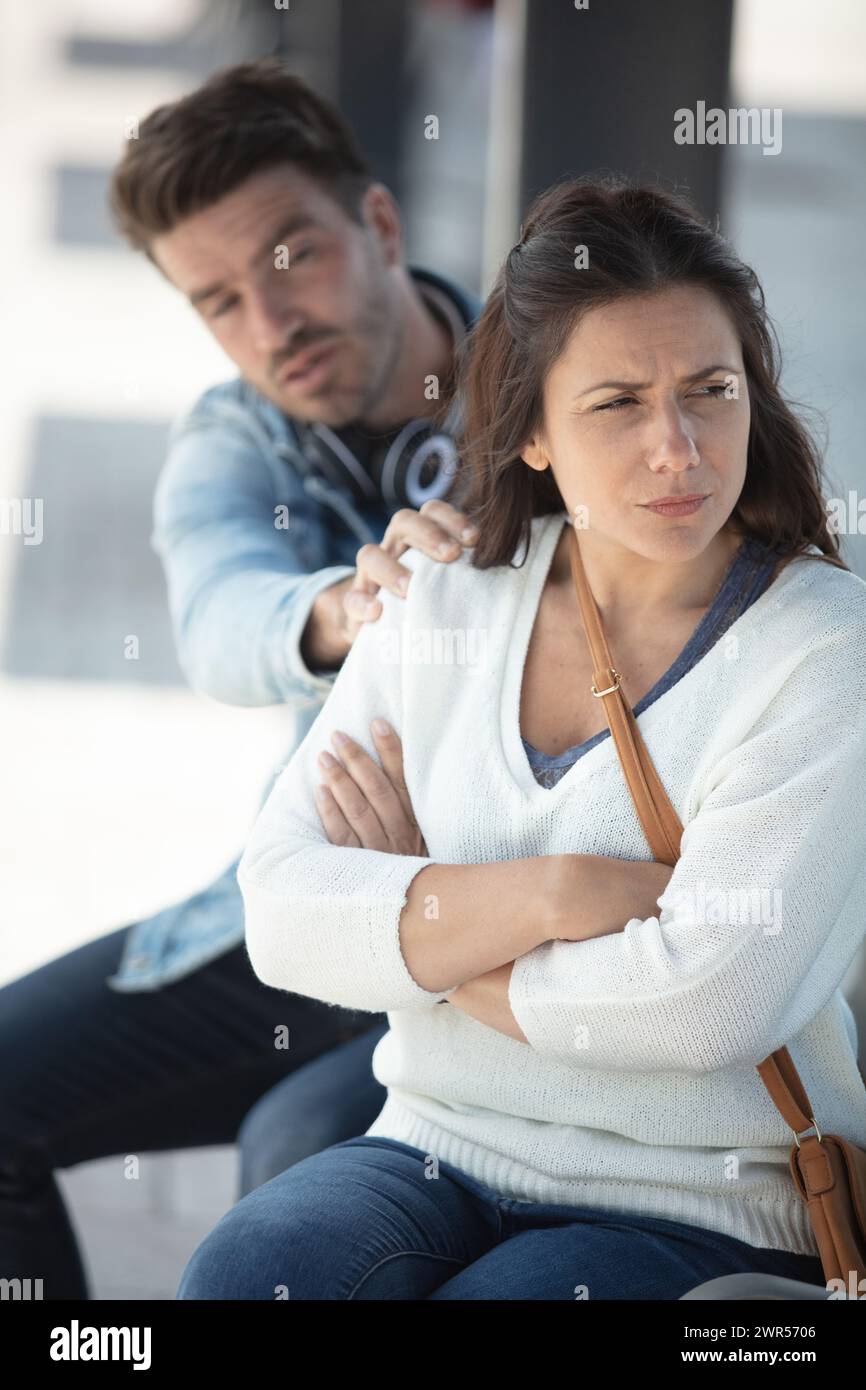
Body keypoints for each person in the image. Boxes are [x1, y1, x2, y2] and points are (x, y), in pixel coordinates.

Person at [176, 174, 866, 1301]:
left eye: (709, 390)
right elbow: (286, 911)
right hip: (438, 1138)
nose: (679, 449)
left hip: (701, 1195)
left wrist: (421, 917)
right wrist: (552, 892)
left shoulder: (821, 650)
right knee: (249, 1270)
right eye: (617, 405)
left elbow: (704, 1002)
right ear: (532, 432)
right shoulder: (445, 595)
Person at [0, 57, 482, 1300]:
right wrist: (338, 607)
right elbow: (221, 619)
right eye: (218, 300)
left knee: (300, 1156)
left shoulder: (541, 382)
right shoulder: (234, 436)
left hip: (509, 926)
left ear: (376, 223)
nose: (270, 328)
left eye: (288, 261)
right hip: (314, 905)